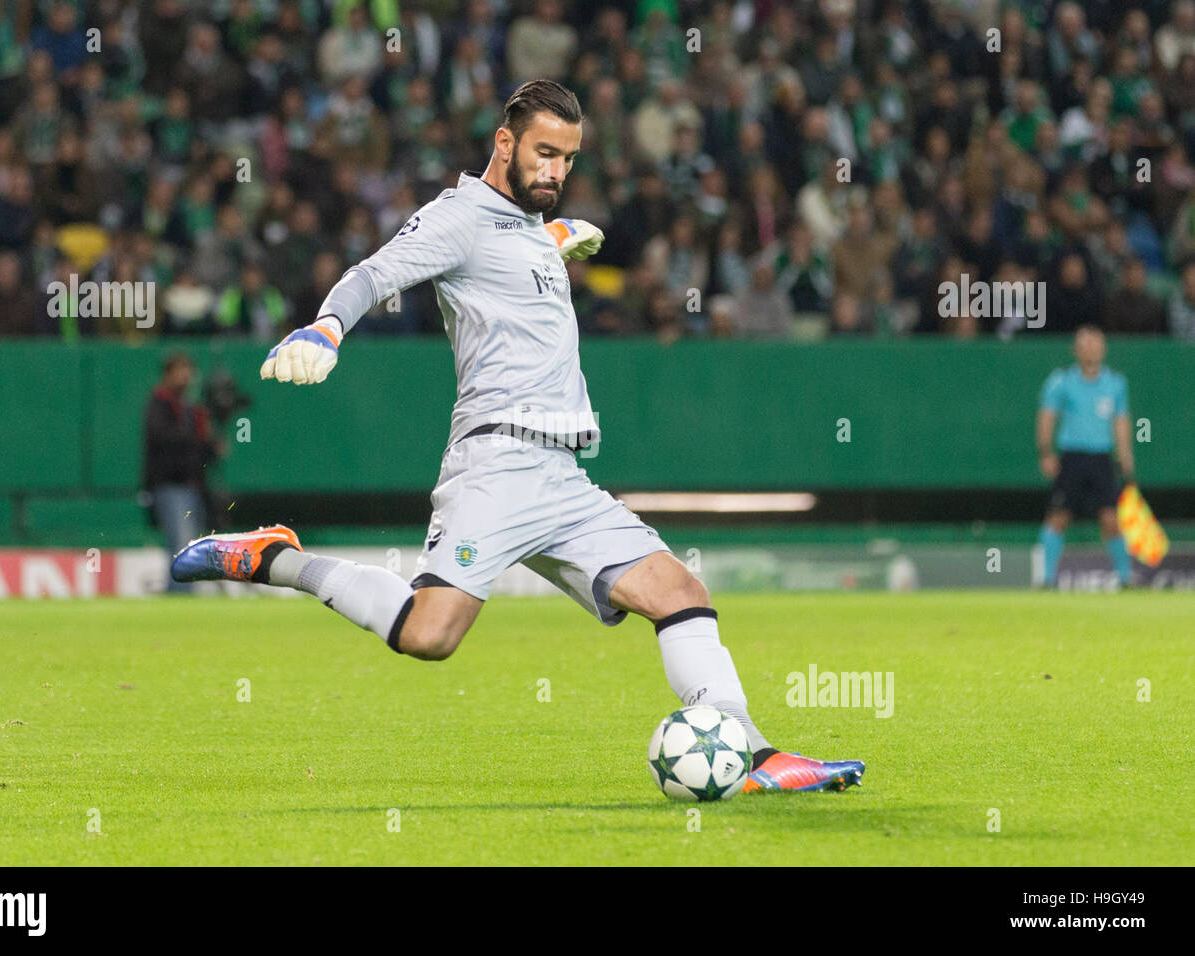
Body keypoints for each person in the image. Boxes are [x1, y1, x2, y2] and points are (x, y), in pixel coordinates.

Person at [172, 80, 864, 793]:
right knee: (429, 635)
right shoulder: (459, 216)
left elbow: (513, 264)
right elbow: (375, 272)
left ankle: (751, 755)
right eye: (544, 153)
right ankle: (277, 560)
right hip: (497, 464)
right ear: (504, 143)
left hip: (563, 476)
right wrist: (326, 326)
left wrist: (555, 239)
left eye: (568, 158)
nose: (557, 172)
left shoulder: (528, 224)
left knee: (679, 590)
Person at [1035, 326, 1136, 588]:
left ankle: (1125, 579)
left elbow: (1121, 421)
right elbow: (1047, 416)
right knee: (1058, 516)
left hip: (1101, 457)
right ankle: (1047, 578)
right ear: (1075, 350)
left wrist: (1125, 454)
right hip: (1072, 457)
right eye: (1085, 345)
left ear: (1103, 349)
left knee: (1112, 519)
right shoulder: (1060, 382)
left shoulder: (1115, 384)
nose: (1091, 349)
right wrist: (1046, 452)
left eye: (1095, 344)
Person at [143, 353, 220, 593]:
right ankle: (179, 593)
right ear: (167, 374)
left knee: (190, 545)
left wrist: (210, 445)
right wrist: (197, 439)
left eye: (188, 370)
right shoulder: (159, 403)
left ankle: (183, 592)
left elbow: (200, 446)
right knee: (181, 546)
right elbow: (162, 438)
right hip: (170, 484)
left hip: (193, 485)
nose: (185, 376)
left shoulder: (190, 407)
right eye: (180, 370)